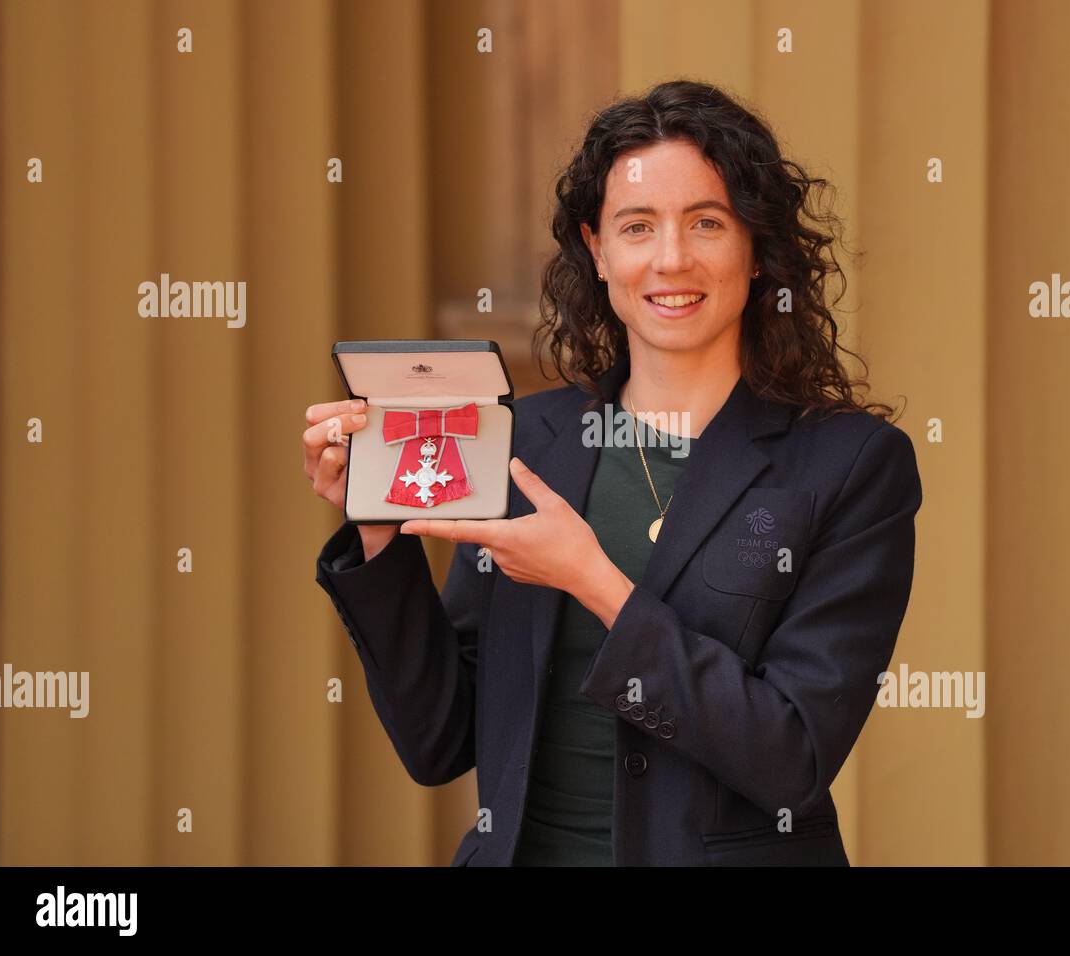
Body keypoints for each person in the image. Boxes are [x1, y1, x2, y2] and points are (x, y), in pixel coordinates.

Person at [301, 79, 922, 866]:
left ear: (756, 249)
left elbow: (789, 752)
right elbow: (440, 739)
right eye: (637, 226)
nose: (671, 259)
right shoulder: (528, 441)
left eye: (707, 223)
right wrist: (380, 532)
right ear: (597, 250)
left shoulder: (850, 465)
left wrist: (593, 580)